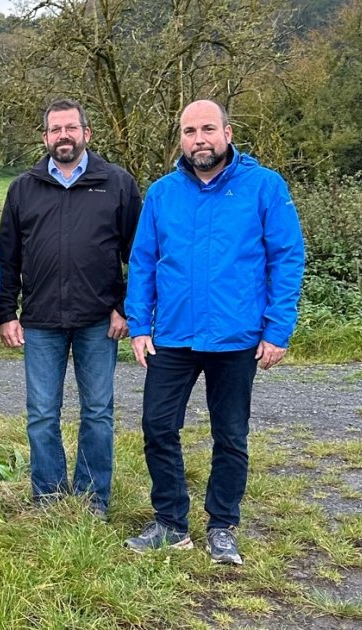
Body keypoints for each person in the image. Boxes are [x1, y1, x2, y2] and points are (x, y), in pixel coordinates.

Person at [124, 100, 305, 565]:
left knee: (230, 434)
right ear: (180, 138)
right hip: (173, 335)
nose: (198, 139)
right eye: (189, 131)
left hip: (237, 336)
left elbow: (286, 258)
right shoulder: (163, 193)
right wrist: (140, 324)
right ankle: (171, 523)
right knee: (157, 426)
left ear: (227, 131)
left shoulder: (264, 187)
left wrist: (277, 329)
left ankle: (222, 526)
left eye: (207, 128)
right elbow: (143, 261)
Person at [0, 99, 142, 516]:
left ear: (86, 134)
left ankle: (93, 498)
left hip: (100, 320)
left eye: (71, 128)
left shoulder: (116, 183)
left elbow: (142, 254)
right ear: (45, 137)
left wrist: (125, 307)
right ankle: (49, 497)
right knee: (42, 414)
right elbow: (7, 257)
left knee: (98, 412)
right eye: (55, 129)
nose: (64, 135)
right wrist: (6, 313)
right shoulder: (24, 187)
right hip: (40, 321)